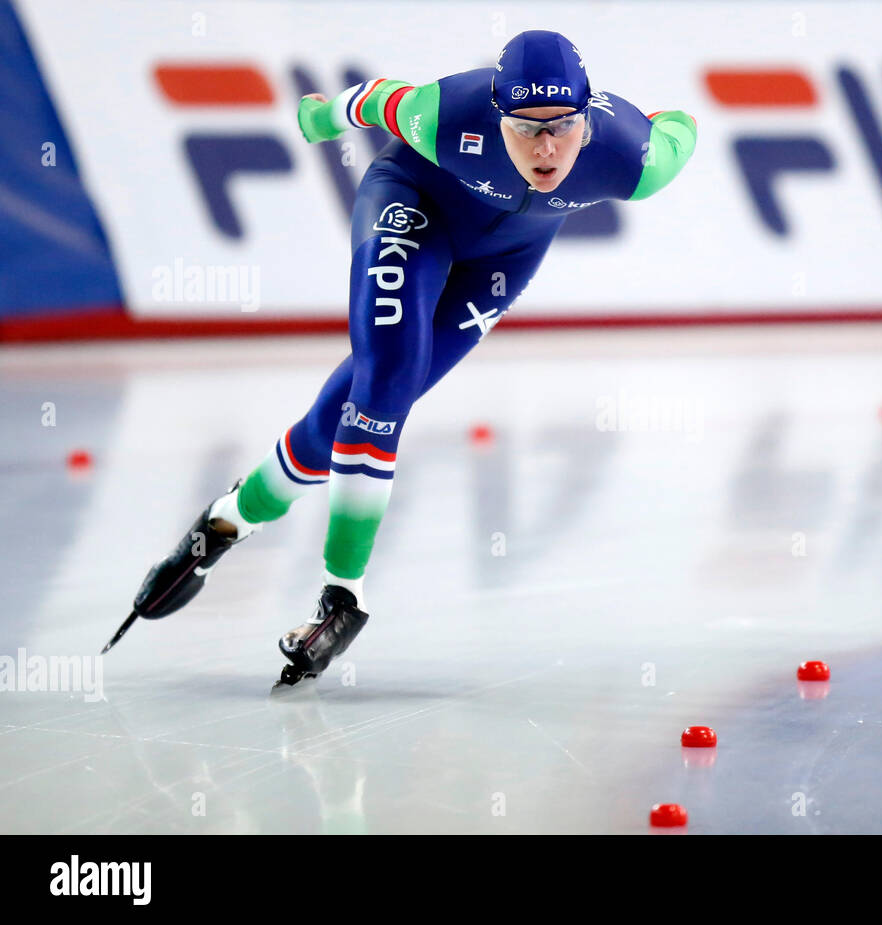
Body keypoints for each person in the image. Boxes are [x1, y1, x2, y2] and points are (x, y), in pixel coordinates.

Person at [111, 30, 698, 686]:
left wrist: (663, 118)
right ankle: (344, 594)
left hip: (503, 261)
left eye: (562, 127)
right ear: (495, 115)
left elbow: (681, 126)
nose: (545, 148)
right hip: (410, 204)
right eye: (523, 129)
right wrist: (318, 115)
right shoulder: (448, 113)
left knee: (344, 416)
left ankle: (228, 519)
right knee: (387, 375)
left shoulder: (636, 160)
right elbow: (372, 100)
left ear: (588, 119)